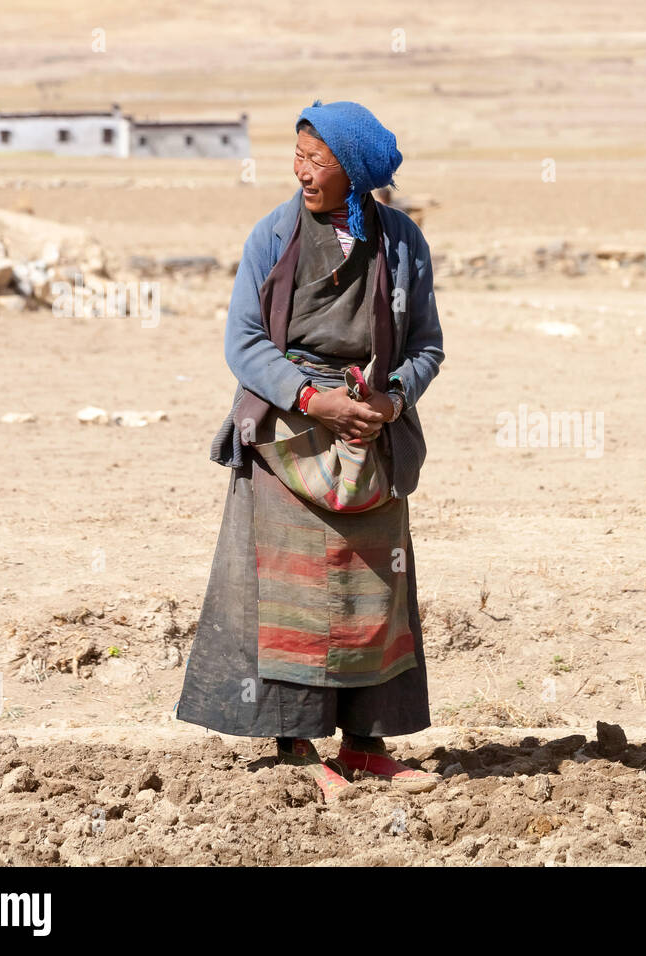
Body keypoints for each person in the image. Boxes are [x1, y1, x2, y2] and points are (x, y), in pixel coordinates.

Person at [175, 100, 445, 801]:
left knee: (373, 596)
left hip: (370, 438)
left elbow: (426, 346)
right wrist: (311, 399)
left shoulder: (403, 242)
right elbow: (244, 343)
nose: (301, 173)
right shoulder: (273, 235)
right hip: (288, 434)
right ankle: (294, 747)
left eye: (316, 161)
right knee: (287, 598)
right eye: (296, 157)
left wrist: (390, 403)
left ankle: (365, 743)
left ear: (354, 174)